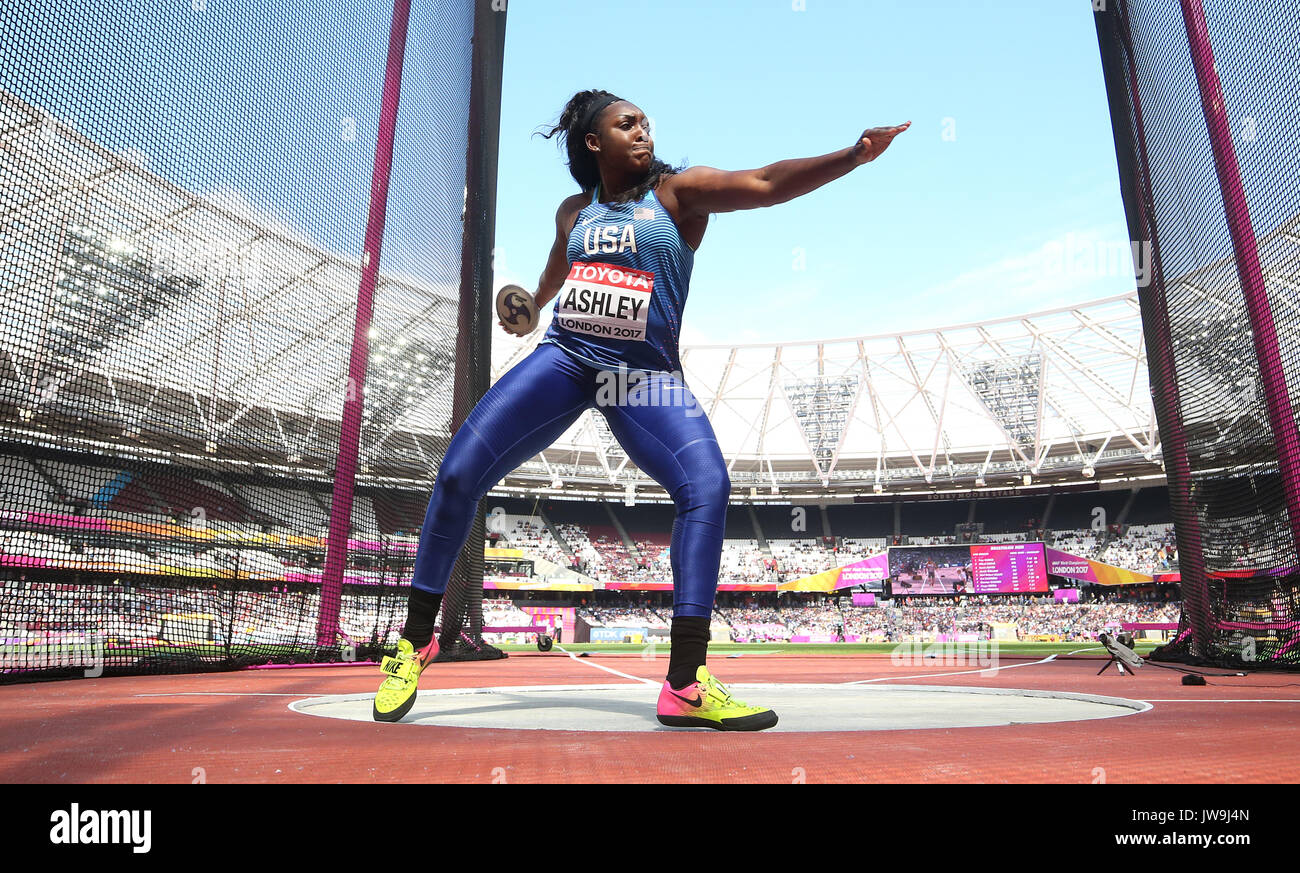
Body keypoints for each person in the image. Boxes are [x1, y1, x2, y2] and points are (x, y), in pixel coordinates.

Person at [373, 89, 909, 729]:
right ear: (594, 142)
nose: (643, 131)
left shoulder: (679, 195)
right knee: (460, 473)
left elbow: (766, 182)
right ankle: (414, 640)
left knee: (706, 486)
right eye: (627, 123)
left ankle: (686, 682)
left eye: (646, 122)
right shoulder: (573, 213)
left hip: (640, 378)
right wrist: (533, 303)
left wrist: (853, 155)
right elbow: (558, 273)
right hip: (567, 362)